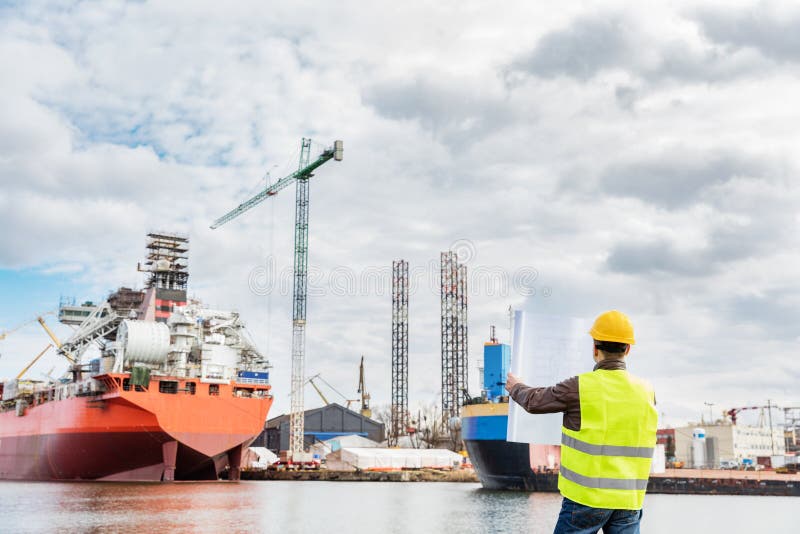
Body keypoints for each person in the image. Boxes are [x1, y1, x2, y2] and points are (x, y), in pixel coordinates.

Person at [506, 310, 657, 534]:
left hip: (586, 500)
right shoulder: (647, 391)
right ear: (628, 349)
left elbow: (535, 401)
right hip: (629, 501)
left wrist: (515, 387)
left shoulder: (580, 386)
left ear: (595, 348)